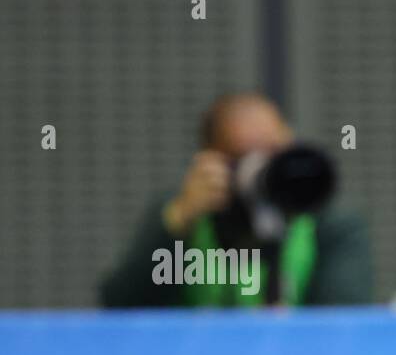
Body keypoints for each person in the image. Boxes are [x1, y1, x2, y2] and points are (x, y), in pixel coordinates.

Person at [98, 91, 373, 307]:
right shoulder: (183, 213)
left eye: (274, 152)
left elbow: (343, 325)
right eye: (245, 156)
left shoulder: (327, 218)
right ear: (210, 158)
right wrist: (176, 223)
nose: (264, 168)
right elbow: (121, 307)